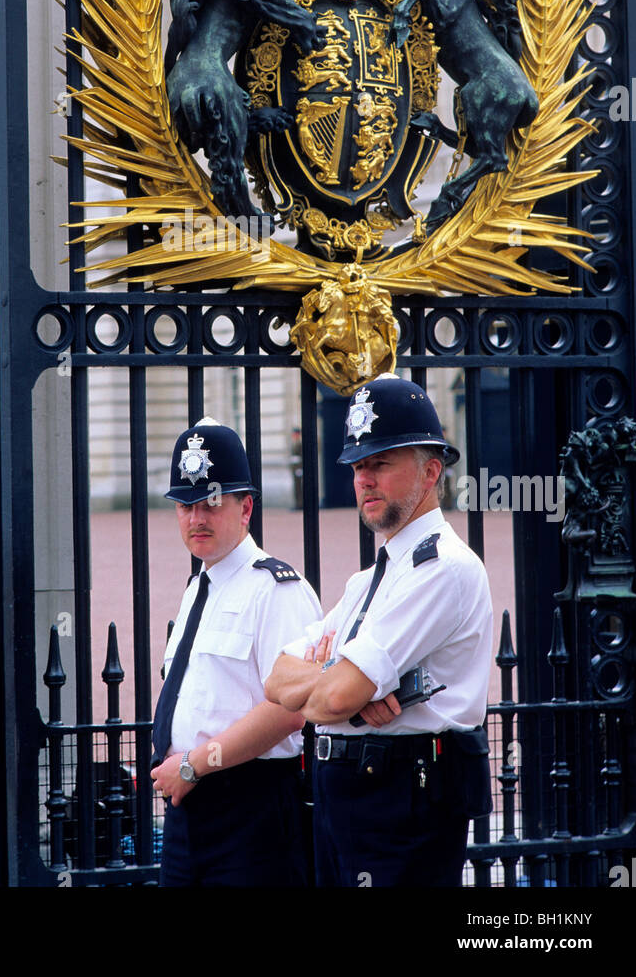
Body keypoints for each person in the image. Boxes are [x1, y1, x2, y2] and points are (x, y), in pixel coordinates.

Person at [265, 374, 493, 887]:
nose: (363, 478)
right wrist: (334, 676)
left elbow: (330, 702)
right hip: (345, 799)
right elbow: (274, 679)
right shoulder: (368, 579)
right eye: (358, 465)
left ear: (431, 471)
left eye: (380, 463)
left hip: (402, 802)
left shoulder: (445, 568)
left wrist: (338, 685)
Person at [151, 416, 322, 887]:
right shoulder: (199, 586)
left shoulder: (276, 590)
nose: (196, 518)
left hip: (251, 812)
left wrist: (191, 763)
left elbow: (289, 711)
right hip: (187, 811)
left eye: (211, 502)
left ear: (246, 508)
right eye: (185, 505)